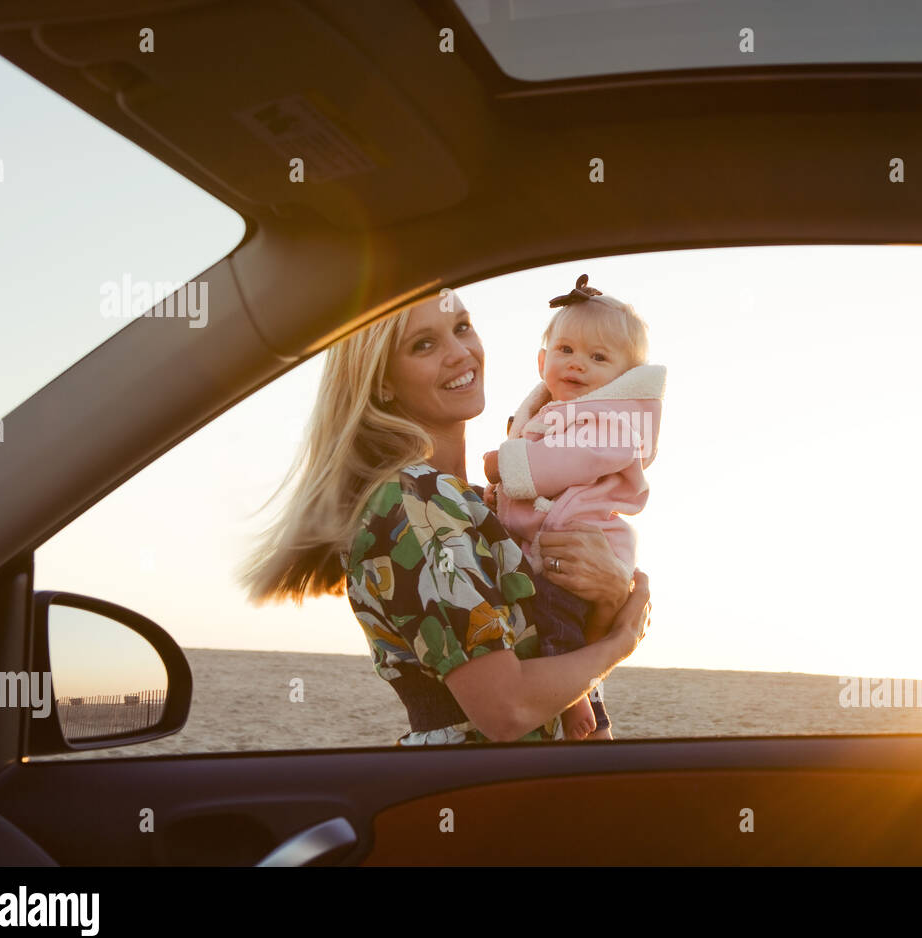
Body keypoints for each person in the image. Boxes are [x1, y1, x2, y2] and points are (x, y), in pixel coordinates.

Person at [240, 290, 651, 745]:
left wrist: (610, 596)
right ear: (382, 382)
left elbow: (559, 657)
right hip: (482, 794)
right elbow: (505, 709)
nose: (460, 353)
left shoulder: (472, 501)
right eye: (424, 344)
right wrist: (620, 642)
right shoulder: (417, 503)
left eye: (461, 328)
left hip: (537, 782)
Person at [483, 274, 665, 740]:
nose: (577, 365)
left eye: (598, 357)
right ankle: (588, 711)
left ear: (623, 380)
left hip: (589, 542)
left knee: (553, 614)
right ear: (543, 360)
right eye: (565, 351)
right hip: (558, 540)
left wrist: (504, 464)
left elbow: (563, 465)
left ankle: (579, 701)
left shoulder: (608, 424)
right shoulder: (549, 415)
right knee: (551, 616)